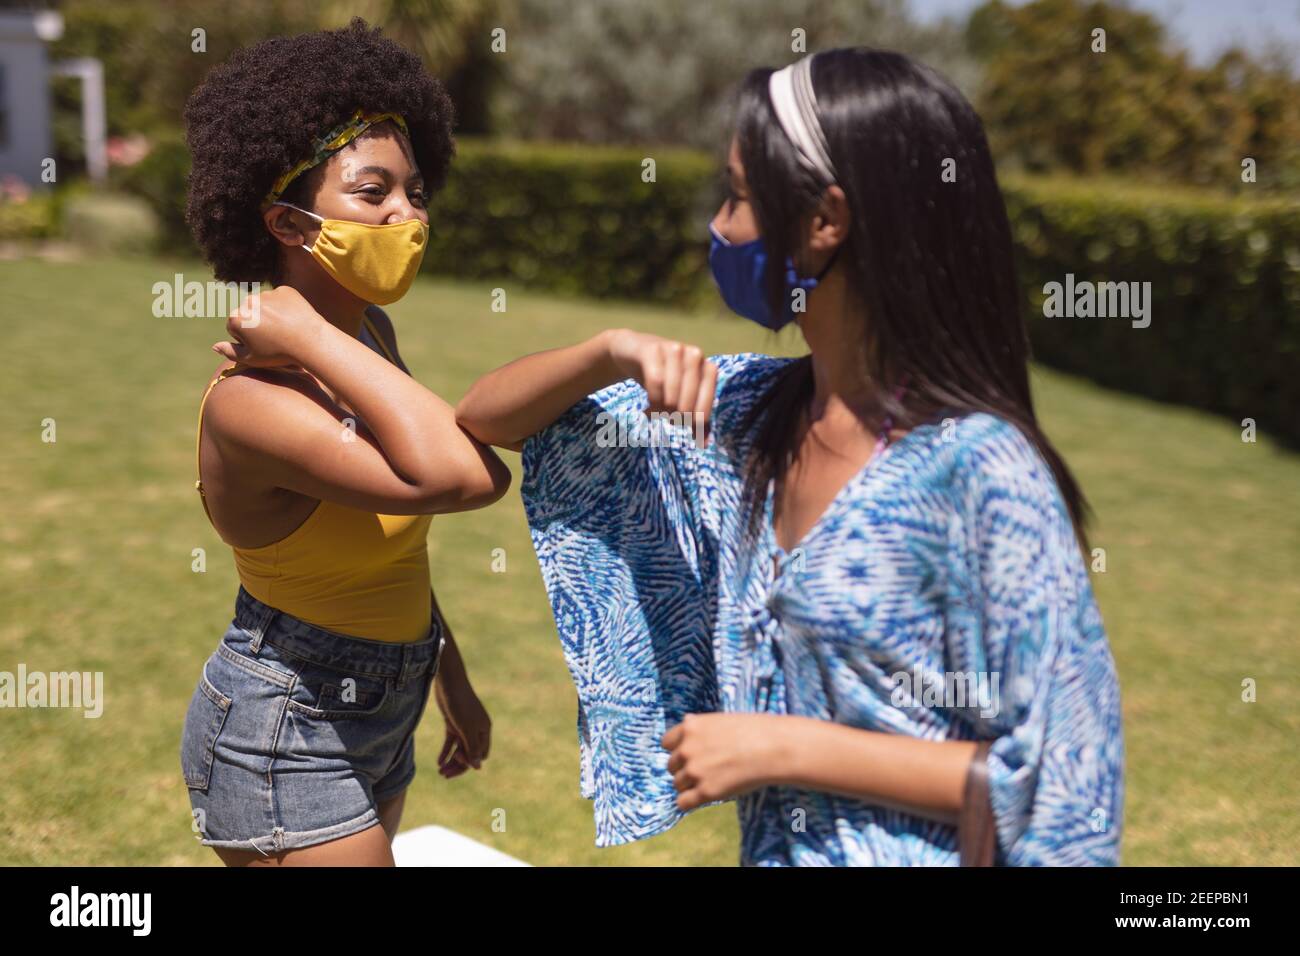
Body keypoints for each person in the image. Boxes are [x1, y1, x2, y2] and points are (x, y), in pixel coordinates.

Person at [455, 48, 1124, 865]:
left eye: (738, 196)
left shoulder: (980, 471)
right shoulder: (745, 415)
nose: (721, 228)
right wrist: (608, 351)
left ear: (825, 220)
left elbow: (1064, 780)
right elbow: (489, 418)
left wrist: (784, 749)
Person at [179, 19, 509, 866]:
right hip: (288, 726)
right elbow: (466, 476)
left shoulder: (372, 340)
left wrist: (450, 673)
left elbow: (391, 553)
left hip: (382, 703)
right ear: (286, 224)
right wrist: (310, 337)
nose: (409, 214)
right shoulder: (254, 403)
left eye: (416, 190)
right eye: (374, 193)